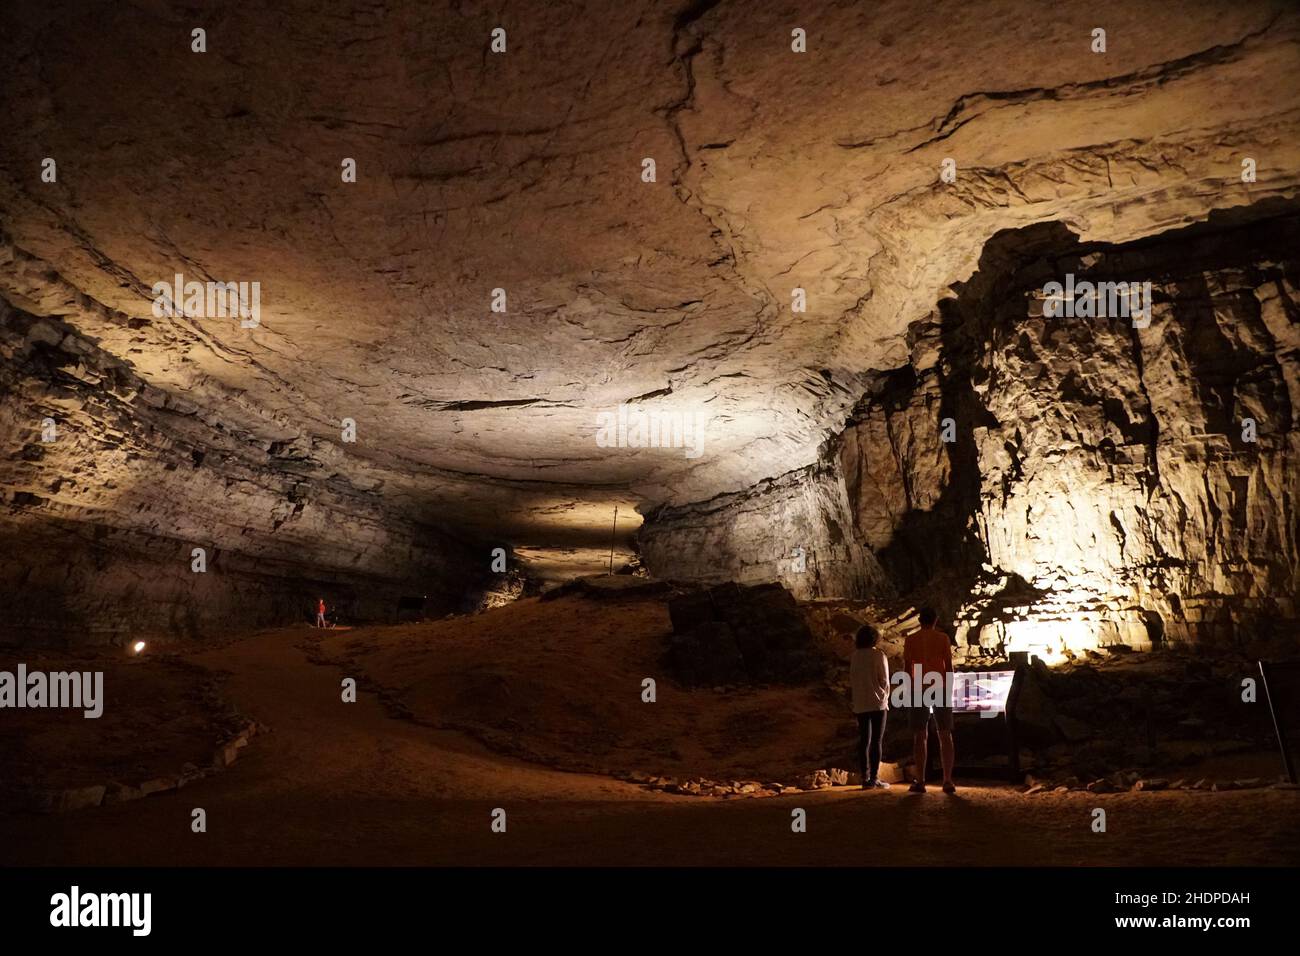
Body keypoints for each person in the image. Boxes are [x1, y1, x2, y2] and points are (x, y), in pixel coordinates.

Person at [905, 606, 956, 794]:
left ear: (920, 621)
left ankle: (921, 780)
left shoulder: (911, 640)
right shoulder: (942, 638)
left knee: (920, 735)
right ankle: (947, 780)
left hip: (919, 687)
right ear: (935, 620)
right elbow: (948, 665)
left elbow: (907, 667)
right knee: (945, 733)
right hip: (939, 685)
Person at [850, 623, 891, 790]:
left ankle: (864, 778)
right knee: (876, 741)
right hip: (877, 703)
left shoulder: (855, 656)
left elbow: (853, 678)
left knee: (864, 741)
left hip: (860, 703)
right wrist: (884, 697)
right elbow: (885, 680)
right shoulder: (878, 655)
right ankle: (874, 777)